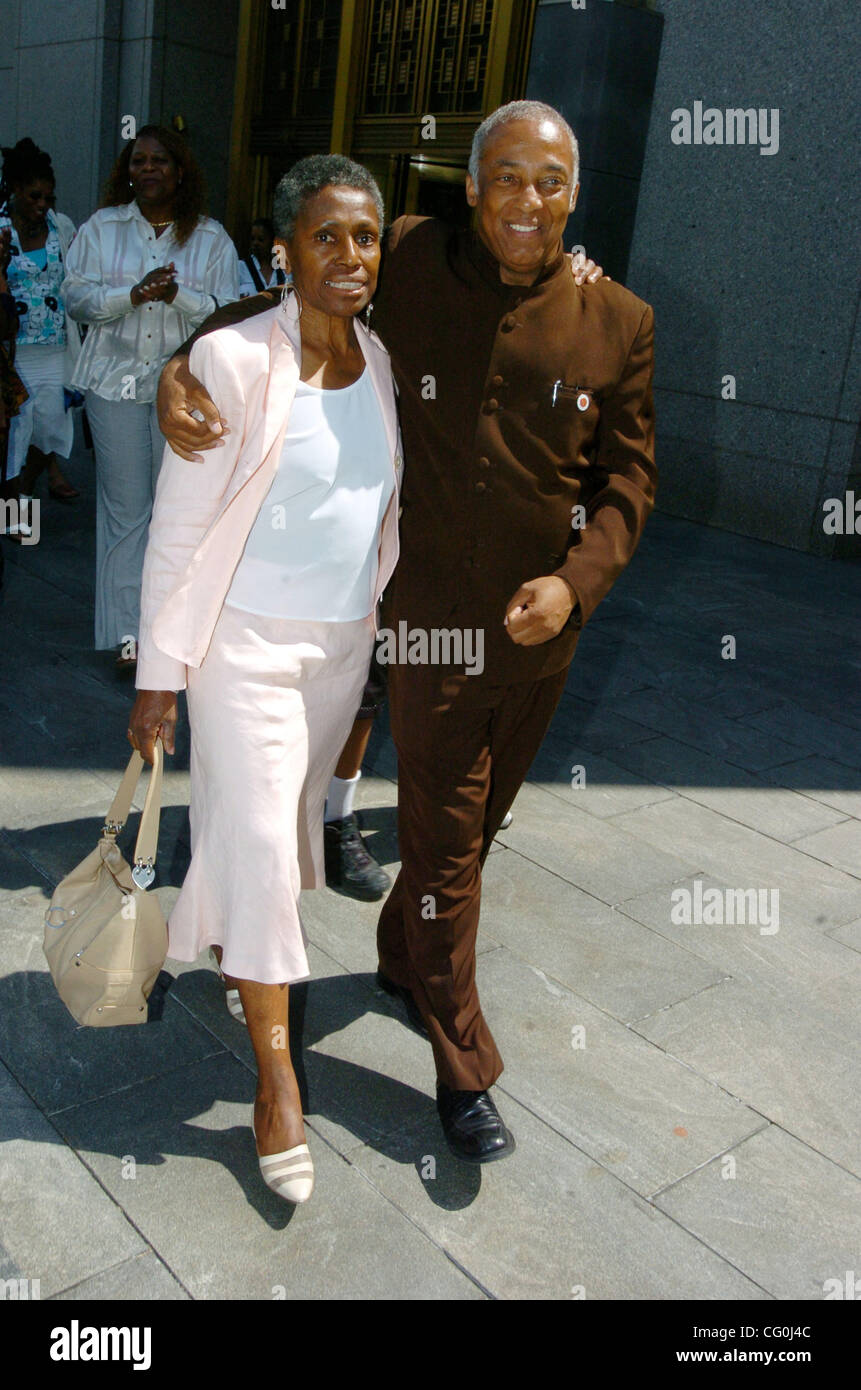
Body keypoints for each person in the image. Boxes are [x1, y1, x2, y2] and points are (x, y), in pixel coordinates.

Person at [157, 100, 651, 1167]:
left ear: (576, 193)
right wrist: (182, 363)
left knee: (474, 828)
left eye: (551, 182)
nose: (528, 201)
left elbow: (629, 480)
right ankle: (462, 1064)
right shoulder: (409, 256)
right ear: (470, 188)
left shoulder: (621, 319)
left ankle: (400, 953)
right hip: (425, 631)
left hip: (541, 642)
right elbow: (291, 293)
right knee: (448, 837)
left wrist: (576, 582)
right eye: (507, 178)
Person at [128, 155, 401, 1204]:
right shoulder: (232, 360)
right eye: (324, 236)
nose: (349, 256)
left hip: (337, 652)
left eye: (365, 237)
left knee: (269, 839)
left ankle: (227, 933)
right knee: (252, 841)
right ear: (281, 249)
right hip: (240, 649)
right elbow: (177, 532)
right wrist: (161, 678)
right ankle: (277, 1081)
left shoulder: (380, 358)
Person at [61, 125, 239, 668]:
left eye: (160, 161)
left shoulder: (209, 238)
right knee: (125, 511)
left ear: (180, 171)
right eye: (138, 161)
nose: (148, 169)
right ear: (127, 170)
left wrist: (175, 293)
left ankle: (172, 630)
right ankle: (127, 637)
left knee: (176, 510)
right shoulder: (101, 228)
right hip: (113, 385)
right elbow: (75, 296)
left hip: (183, 390)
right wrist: (132, 295)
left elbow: (230, 311)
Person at [0, 138, 82, 530]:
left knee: (48, 434)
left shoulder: (60, 227)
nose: (42, 204)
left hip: (53, 350)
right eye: (34, 195)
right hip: (10, 354)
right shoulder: (0, 229)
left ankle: (24, 487)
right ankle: (17, 519)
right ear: (14, 189)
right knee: (15, 436)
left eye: (48, 196)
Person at [238, 216, 287, 297]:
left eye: (261, 239)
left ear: (272, 241)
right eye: (252, 239)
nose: (255, 243)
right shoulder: (240, 267)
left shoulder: (284, 270)